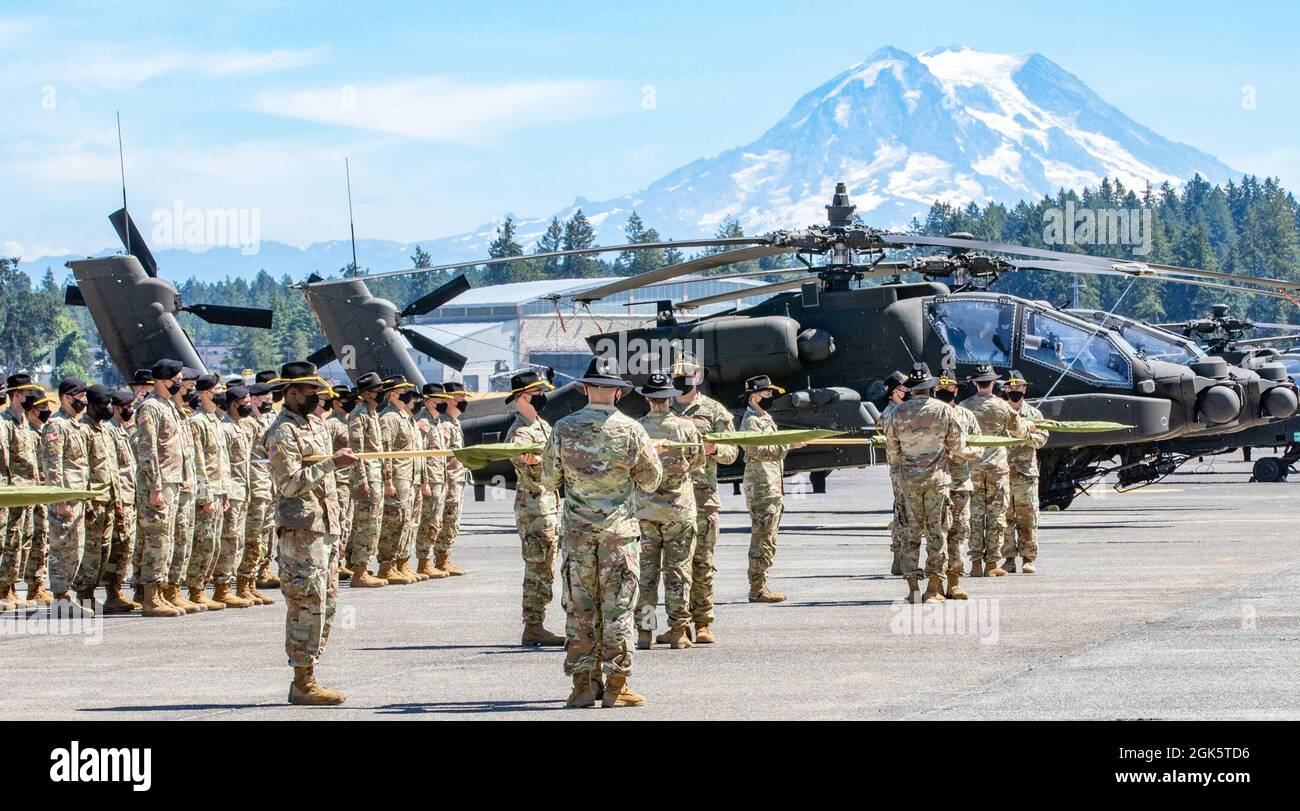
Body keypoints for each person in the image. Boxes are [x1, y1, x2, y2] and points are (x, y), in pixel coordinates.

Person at [539, 357, 662, 708]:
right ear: (619, 393)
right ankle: (616, 686)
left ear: (587, 388)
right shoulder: (632, 431)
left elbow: (548, 480)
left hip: (578, 533)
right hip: (619, 536)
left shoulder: (563, 428)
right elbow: (652, 481)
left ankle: (582, 686)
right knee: (619, 610)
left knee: (580, 609)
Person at [263, 361, 357, 705]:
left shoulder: (315, 423)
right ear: (291, 393)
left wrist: (339, 528)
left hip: (324, 529)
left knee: (328, 603)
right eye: (310, 392)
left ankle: (310, 672)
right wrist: (332, 462)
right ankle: (302, 680)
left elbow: (328, 483)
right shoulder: (282, 432)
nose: (317, 398)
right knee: (306, 603)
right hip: (301, 532)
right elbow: (288, 485)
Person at [883, 363, 967, 603]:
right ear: (930, 387)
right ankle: (933, 588)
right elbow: (957, 447)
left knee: (910, 534)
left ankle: (912, 590)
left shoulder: (896, 413)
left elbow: (892, 451)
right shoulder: (944, 411)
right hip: (937, 482)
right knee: (937, 533)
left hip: (908, 482)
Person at [670, 357, 738, 644]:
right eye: (676, 374)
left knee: (703, 562)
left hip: (702, 498)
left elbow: (733, 452)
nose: (681, 379)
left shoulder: (714, 411)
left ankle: (702, 622)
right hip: (669, 499)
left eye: (686, 374)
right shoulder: (661, 407)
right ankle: (677, 623)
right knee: (673, 564)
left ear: (697, 377)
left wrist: (714, 450)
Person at [635, 372, 704, 650]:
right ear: (669, 398)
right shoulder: (686, 428)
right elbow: (698, 461)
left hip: (645, 513)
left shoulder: (637, 429)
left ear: (648, 398)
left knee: (646, 576)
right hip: (678, 511)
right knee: (678, 573)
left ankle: (645, 632)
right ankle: (678, 631)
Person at [505, 370, 563, 646]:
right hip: (534, 510)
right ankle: (533, 625)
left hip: (548, 507)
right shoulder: (520, 433)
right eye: (538, 393)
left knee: (547, 568)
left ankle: (537, 623)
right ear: (523, 397)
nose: (543, 398)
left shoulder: (541, 425)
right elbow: (533, 472)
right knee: (537, 568)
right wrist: (536, 463)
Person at [133, 360, 188, 618]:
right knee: (156, 539)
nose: (180, 382)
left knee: (167, 538)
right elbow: (148, 449)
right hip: (158, 483)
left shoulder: (169, 406)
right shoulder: (150, 407)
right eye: (177, 378)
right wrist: (155, 486)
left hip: (171, 481)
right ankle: (150, 596)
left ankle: (162, 591)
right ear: (164, 379)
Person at [738, 375, 801, 603]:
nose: (771, 397)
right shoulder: (751, 421)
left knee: (769, 538)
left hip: (772, 486)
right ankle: (757, 588)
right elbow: (758, 450)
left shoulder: (765, 417)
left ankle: (761, 584)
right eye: (767, 394)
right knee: (762, 536)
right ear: (754, 395)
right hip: (761, 486)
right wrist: (789, 444)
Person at [961, 363, 1024, 577]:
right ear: (994, 382)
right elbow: (1018, 431)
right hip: (997, 468)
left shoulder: (964, 407)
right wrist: (1030, 427)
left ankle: (976, 562)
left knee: (975, 516)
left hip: (973, 467)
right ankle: (992, 564)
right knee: (996, 515)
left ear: (974, 383)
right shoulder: (1003, 407)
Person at [71, 385, 126, 613]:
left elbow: (112, 468)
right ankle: (84, 593)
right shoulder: (83, 429)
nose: (109, 408)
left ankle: (96, 592)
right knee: (91, 551)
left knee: (105, 548)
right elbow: (82, 468)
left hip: (109, 498)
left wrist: (119, 499)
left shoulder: (104, 430)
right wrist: (86, 501)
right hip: (94, 500)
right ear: (91, 404)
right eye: (104, 403)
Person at [43, 377, 93, 617]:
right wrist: (60, 499)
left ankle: (66, 596)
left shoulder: (77, 425)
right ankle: (60, 597)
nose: (83, 400)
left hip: (77, 497)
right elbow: (53, 465)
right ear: (65, 397)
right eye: (78, 396)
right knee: (62, 548)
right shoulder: (56, 425)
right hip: (64, 499)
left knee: (76, 549)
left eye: (84, 395)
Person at [184, 375, 230, 610]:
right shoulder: (197, 422)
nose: (221, 392)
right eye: (216, 389)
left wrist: (225, 492)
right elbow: (198, 462)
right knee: (203, 543)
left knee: (214, 543)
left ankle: (204, 586)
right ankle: (195, 589)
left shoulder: (215, 420)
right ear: (203, 394)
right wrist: (205, 496)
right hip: (207, 492)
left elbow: (222, 460)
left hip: (219, 490)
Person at [935, 371, 980, 599]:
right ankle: (936, 583)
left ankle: (954, 581)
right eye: (939, 386)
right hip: (937, 483)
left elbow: (979, 445)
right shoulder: (929, 414)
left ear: (956, 390)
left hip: (960, 483)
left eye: (948, 387)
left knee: (959, 533)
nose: (943, 390)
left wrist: (963, 453)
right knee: (937, 535)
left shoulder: (966, 416)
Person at [1, 375, 43, 612]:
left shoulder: (24, 422)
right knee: (10, 540)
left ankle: (11, 588)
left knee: (23, 541)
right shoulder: (5, 422)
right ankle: (3, 589)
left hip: (28, 490)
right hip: (13, 491)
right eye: (27, 394)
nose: (31, 399)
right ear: (15, 394)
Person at [1001, 370, 1049, 574]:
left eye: (1018, 387)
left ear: (1024, 389)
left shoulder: (1034, 414)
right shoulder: (1000, 413)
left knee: (1028, 516)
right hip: (1003, 471)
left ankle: (1028, 558)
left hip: (1025, 472)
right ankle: (1008, 558)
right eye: (1010, 388)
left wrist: (1024, 433)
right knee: (1005, 517)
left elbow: (1042, 439)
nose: (1014, 391)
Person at [165, 367, 204, 614]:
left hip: (186, 487)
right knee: (164, 541)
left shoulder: (182, 415)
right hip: (169, 489)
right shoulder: (157, 410)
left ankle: (173, 590)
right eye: (183, 384)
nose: (188, 389)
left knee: (182, 541)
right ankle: (157, 592)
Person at [212, 385, 254, 608]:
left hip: (242, 489)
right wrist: (226, 491)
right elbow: (223, 463)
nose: (249, 405)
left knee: (238, 540)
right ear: (233, 404)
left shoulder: (240, 427)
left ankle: (235, 585)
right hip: (233, 490)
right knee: (230, 539)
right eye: (244, 401)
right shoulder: (225, 428)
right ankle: (222, 587)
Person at [376, 375, 420, 584]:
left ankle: (401, 563)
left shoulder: (405, 417)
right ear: (393, 394)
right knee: (393, 523)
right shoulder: (389, 419)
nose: (409, 394)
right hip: (397, 478)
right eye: (404, 390)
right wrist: (387, 481)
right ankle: (386, 566)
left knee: (406, 522)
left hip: (409, 478)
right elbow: (386, 453)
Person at [345, 372, 388, 587]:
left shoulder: (372, 415)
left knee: (374, 524)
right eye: (378, 391)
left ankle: (362, 566)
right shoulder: (358, 416)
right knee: (366, 525)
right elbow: (356, 452)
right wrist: (362, 480)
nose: (382, 395)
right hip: (367, 478)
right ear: (367, 394)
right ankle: (359, 572)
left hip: (375, 475)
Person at [414, 383, 449, 580]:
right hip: (431, 481)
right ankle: (423, 562)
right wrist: (424, 481)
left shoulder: (436, 423)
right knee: (427, 522)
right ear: (429, 402)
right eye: (440, 400)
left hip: (439, 480)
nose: (444, 403)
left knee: (435, 522)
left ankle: (429, 561)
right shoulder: (424, 423)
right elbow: (421, 455)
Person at [22, 396, 55, 606]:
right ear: (32, 411)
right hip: (32, 493)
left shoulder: (41, 433)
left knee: (42, 539)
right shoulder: (28, 434)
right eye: (42, 408)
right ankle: (29, 586)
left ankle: (38, 585)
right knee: (30, 540)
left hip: (42, 492)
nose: (46, 411)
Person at [434, 381, 469, 575]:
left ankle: (444, 558)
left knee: (452, 521)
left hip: (457, 479)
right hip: (449, 479)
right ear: (448, 400)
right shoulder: (444, 425)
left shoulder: (454, 423)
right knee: (446, 520)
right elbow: (441, 458)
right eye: (459, 399)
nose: (463, 402)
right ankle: (439, 559)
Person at [876, 371, 909, 576]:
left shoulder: (893, 412)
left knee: (901, 512)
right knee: (903, 514)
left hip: (903, 467)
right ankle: (900, 559)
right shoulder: (894, 413)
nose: (909, 392)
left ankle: (900, 558)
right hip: (902, 468)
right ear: (893, 392)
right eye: (905, 389)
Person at [325, 384, 355, 579]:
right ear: (336, 402)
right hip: (338, 479)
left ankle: (339, 561)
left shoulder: (346, 421)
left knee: (346, 522)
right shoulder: (332, 424)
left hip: (347, 479)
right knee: (338, 521)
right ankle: (333, 562)